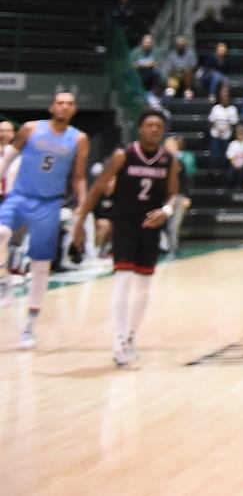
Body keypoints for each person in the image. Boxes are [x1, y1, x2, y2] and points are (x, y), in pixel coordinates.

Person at [69, 108, 177, 366]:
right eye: (149, 124)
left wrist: (166, 211)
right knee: (123, 279)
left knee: (143, 286)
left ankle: (130, 336)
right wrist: (80, 220)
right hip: (125, 223)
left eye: (158, 126)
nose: (154, 129)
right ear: (140, 129)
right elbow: (97, 187)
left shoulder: (169, 160)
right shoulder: (123, 156)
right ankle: (119, 339)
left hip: (150, 227)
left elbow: (173, 194)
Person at [0, 90, 89, 348]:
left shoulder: (79, 139)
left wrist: (82, 208)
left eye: (69, 104)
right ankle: (4, 281)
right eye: (60, 103)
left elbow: (79, 176)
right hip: (20, 195)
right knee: (2, 233)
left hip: (49, 203)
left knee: (40, 265)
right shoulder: (30, 128)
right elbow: (8, 157)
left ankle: (29, 326)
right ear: (52, 107)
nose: (64, 107)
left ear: (74, 110)